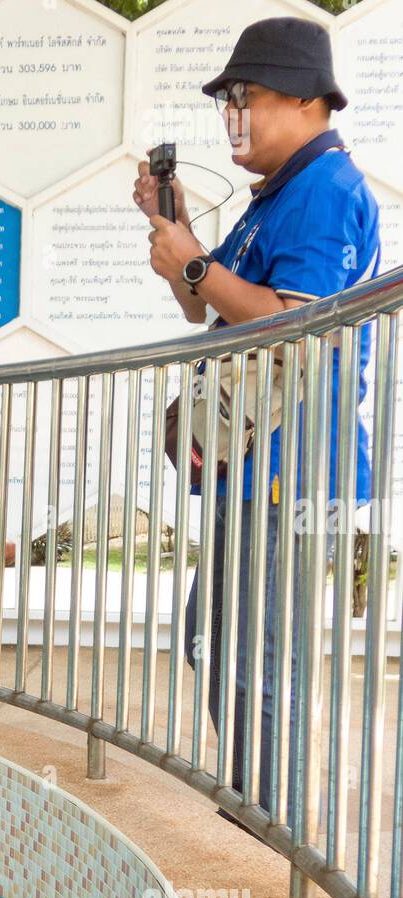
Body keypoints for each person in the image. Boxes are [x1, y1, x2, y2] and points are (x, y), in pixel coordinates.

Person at [133, 17, 381, 825]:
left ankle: (275, 828)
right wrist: (181, 247)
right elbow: (217, 305)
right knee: (217, 640)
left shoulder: (326, 191)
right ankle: (259, 810)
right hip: (258, 462)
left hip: (294, 468)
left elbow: (292, 326)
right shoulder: (278, 195)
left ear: (309, 100)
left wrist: (199, 265)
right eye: (228, 101)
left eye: (248, 97)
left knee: (257, 659)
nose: (234, 115)